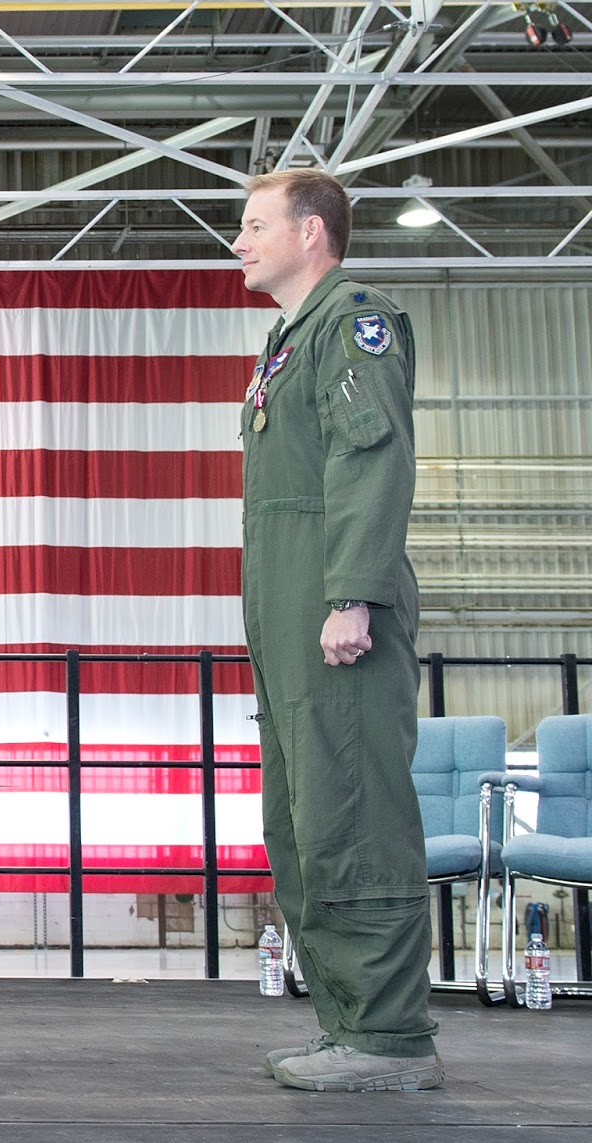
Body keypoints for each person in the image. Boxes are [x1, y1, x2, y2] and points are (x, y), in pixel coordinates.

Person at [232, 168, 441, 1092]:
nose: (239, 241)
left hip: (335, 610)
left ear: (311, 232)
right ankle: (347, 1018)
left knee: (353, 814)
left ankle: (391, 1033)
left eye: (254, 224)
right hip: (288, 614)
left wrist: (351, 592)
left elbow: (371, 457)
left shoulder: (357, 320)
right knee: (304, 820)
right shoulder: (290, 339)